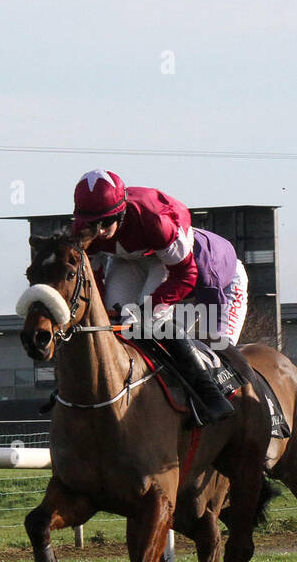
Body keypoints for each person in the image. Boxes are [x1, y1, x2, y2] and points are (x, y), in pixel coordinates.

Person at [71, 170, 248, 424]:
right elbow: (94, 276)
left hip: (205, 277)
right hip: (138, 259)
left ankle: (211, 398)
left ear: (121, 213)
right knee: (118, 322)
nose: (98, 232)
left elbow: (185, 275)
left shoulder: (156, 221)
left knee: (161, 328)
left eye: (104, 223)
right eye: (91, 224)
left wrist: (148, 309)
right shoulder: (85, 228)